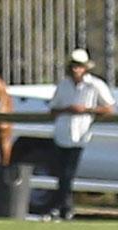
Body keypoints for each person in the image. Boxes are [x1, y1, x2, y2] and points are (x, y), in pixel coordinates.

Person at [47, 49, 114, 221]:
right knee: (61, 173)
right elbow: (53, 109)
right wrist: (68, 109)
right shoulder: (63, 85)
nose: (77, 70)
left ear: (85, 68)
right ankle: (63, 207)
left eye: (80, 66)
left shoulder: (95, 85)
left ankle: (63, 207)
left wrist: (87, 110)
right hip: (62, 133)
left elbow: (108, 108)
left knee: (68, 173)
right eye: (74, 66)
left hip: (81, 134)